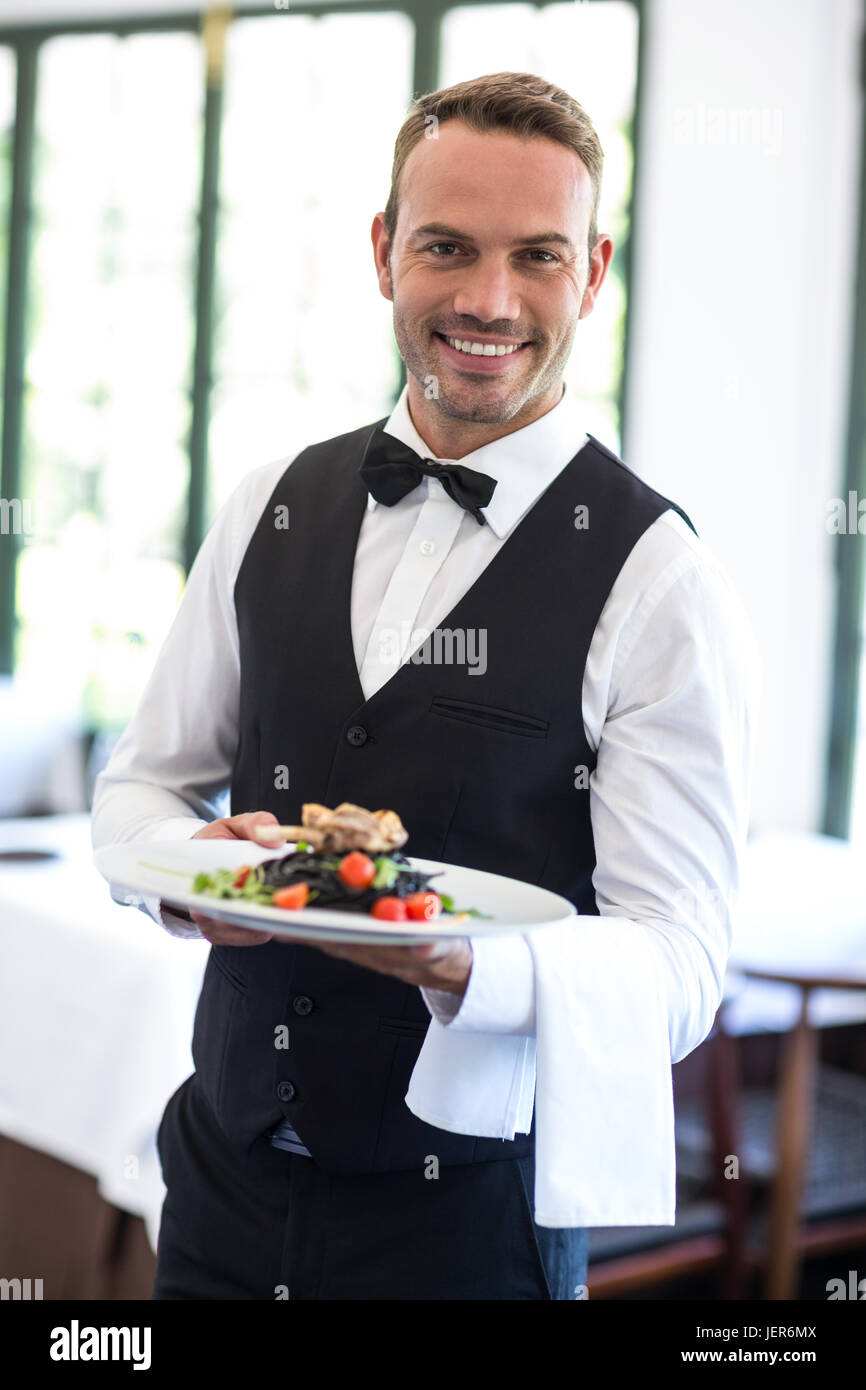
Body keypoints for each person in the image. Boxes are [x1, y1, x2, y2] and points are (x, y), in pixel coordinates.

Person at [92, 70, 760, 1301]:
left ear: (595, 271)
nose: (487, 301)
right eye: (445, 247)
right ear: (383, 251)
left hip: (462, 1231)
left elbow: (678, 967)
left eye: (538, 257)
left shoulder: (659, 579)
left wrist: (466, 965)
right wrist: (197, 887)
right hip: (221, 1183)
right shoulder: (268, 502)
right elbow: (139, 791)